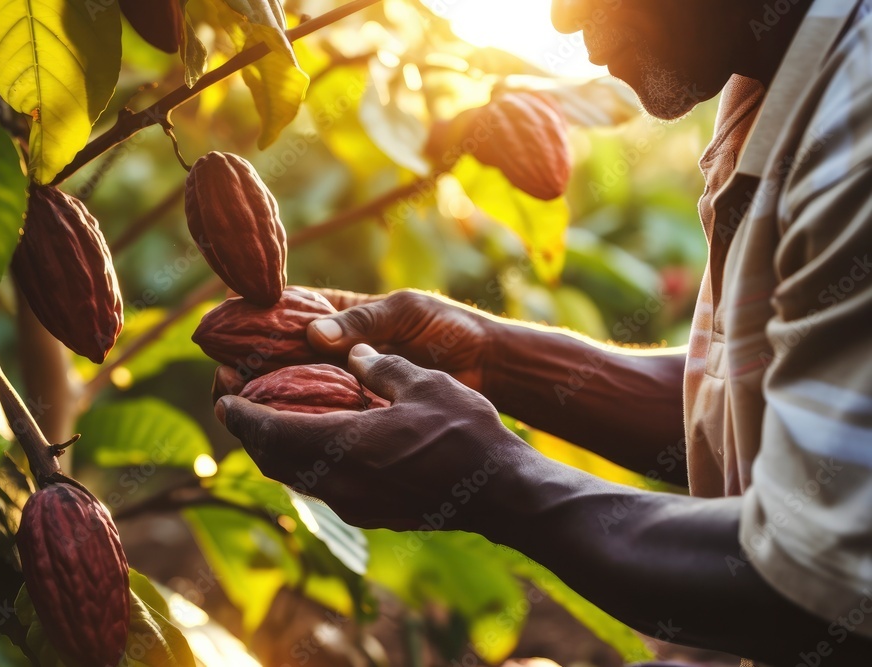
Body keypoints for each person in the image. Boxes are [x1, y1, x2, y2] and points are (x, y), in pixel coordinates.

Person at [212, 0, 872, 664]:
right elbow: (769, 397)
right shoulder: (774, 80)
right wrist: (491, 356)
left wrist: (492, 481)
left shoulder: (856, 127)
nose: (560, 19)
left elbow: (809, 577)